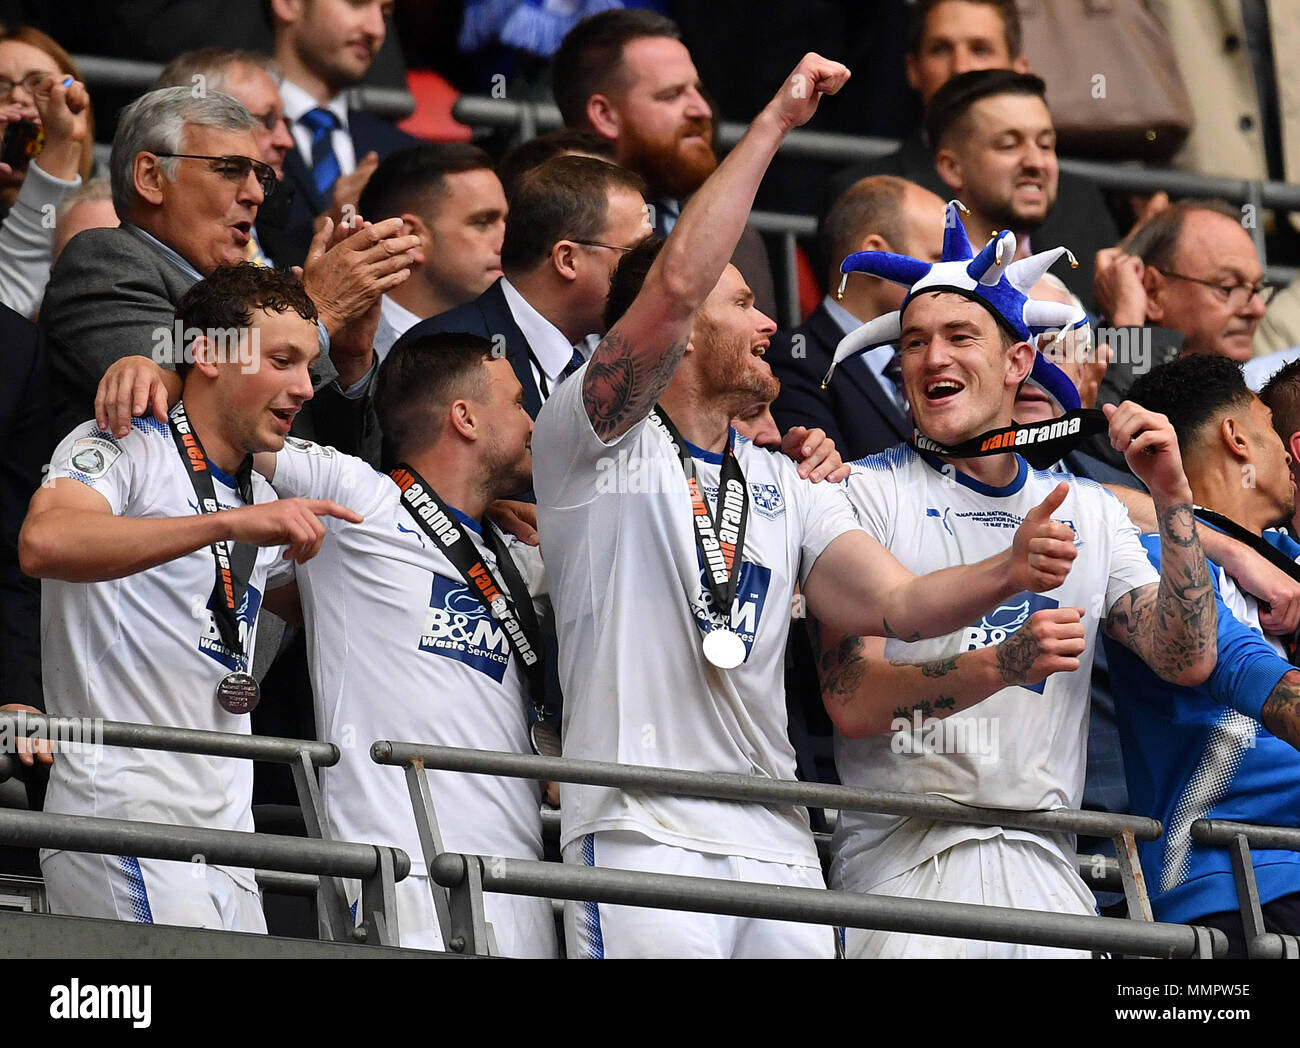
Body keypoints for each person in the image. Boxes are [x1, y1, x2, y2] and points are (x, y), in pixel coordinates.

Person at [532, 53, 1080, 959]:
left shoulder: (787, 481)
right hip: (642, 839)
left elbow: (897, 603)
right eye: (743, 301)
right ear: (674, 333)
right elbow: (671, 284)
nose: (767, 325)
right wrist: (776, 123)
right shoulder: (591, 438)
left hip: (781, 850)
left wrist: (1006, 573)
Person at [815, 206, 1217, 958]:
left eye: (960, 336)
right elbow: (853, 699)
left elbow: (1184, 656)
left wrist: (1173, 501)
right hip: (908, 871)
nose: (933, 357)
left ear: (1018, 363)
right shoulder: (855, 496)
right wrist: (1002, 666)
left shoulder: (1092, 511)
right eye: (913, 342)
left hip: (1050, 878)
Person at [18, 263, 360, 930]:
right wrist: (229, 525)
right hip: (123, 813)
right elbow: (45, 541)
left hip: (228, 828)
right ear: (206, 354)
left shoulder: (257, 488)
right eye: (282, 360)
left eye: (308, 364)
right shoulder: (124, 438)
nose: (301, 387)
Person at [252, 331, 556, 956]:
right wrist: (153, 373)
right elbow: (226, 432)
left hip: (516, 885)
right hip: (398, 882)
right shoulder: (361, 500)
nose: (533, 421)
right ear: (464, 417)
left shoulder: (516, 558)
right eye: (520, 402)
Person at [40, 86, 420, 460]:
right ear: (151, 176)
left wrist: (350, 359)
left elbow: (344, 464)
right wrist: (320, 313)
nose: (255, 195)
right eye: (230, 170)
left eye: (260, 177)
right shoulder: (104, 258)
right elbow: (183, 413)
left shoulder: (259, 292)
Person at [1113, 355, 1300, 955]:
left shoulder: (1287, 559)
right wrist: (1216, 538)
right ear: (1237, 436)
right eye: (1273, 430)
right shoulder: (1146, 557)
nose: (1289, 454)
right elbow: (1068, 497)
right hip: (1229, 893)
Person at [825, 0, 1117, 311]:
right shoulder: (867, 192)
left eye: (980, 48)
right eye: (940, 49)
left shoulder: (1080, 200)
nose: (961, 67)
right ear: (912, 69)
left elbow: (1106, 347)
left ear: (1019, 68)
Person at [551, 8, 777, 321]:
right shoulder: (545, 231)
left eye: (696, 91)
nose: (702, 110)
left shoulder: (742, 238)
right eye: (671, 95)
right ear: (604, 115)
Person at [396, 155, 647, 422]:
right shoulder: (442, 354)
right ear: (568, 260)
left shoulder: (624, 353)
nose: (650, 269)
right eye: (638, 252)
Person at [768, 175, 946, 460]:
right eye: (938, 260)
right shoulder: (792, 361)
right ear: (875, 258)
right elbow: (828, 489)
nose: (952, 278)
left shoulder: (938, 360)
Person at [1088, 199, 1272, 470]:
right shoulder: (1082, 363)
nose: (1257, 309)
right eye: (1228, 287)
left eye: (1256, 289)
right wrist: (1129, 329)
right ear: (1151, 291)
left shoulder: (1260, 401)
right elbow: (1121, 452)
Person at [269, 0, 418, 258]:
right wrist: (326, 227)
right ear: (288, 4)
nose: (377, 29)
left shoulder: (408, 155)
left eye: (385, 13)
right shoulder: (229, 134)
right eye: (356, 3)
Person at [356, 144, 507, 360]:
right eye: (483, 222)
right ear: (412, 236)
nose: (508, 241)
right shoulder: (341, 353)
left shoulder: (508, 341)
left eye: (506, 222)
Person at [150, 49, 298, 267]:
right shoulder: (137, 255)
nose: (286, 141)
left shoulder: (278, 233)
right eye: (267, 120)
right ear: (193, 123)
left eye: (285, 122)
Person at [0, 25, 93, 318]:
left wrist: (64, 143)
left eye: (39, 84)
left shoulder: (112, 203)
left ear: (79, 105)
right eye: (0, 86)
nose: (18, 96)